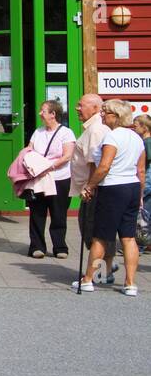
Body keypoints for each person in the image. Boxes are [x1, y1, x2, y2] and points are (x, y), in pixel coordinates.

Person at [75, 100, 145, 296]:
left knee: (101, 237)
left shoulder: (112, 137)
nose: (103, 116)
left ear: (116, 116)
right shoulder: (136, 138)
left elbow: (104, 166)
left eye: (106, 113)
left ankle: (88, 279)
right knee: (128, 237)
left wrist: (90, 186)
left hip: (112, 188)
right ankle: (130, 283)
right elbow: (140, 170)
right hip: (131, 187)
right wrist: (139, 195)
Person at [71, 93, 117, 283]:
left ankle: (96, 272)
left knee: (92, 230)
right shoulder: (93, 128)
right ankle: (107, 268)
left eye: (81, 105)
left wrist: (89, 188)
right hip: (94, 187)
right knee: (99, 229)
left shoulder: (96, 130)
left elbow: (94, 163)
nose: (77, 108)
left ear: (95, 108)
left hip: (93, 189)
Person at [23, 99, 76, 259]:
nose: (40, 113)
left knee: (58, 213)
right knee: (37, 212)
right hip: (39, 178)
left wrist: (48, 166)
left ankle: (60, 247)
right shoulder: (38, 132)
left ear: (53, 114)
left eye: (43, 111)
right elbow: (29, 149)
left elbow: (67, 156)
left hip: (59, 178)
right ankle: (37, 246)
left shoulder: (66, 133)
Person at [135, 114, 151, 225]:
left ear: (144, 128)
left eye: (136, 126)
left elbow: (145, 161)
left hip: (147, 178)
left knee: (145, 207)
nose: (134, 129)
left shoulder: (146, 142)